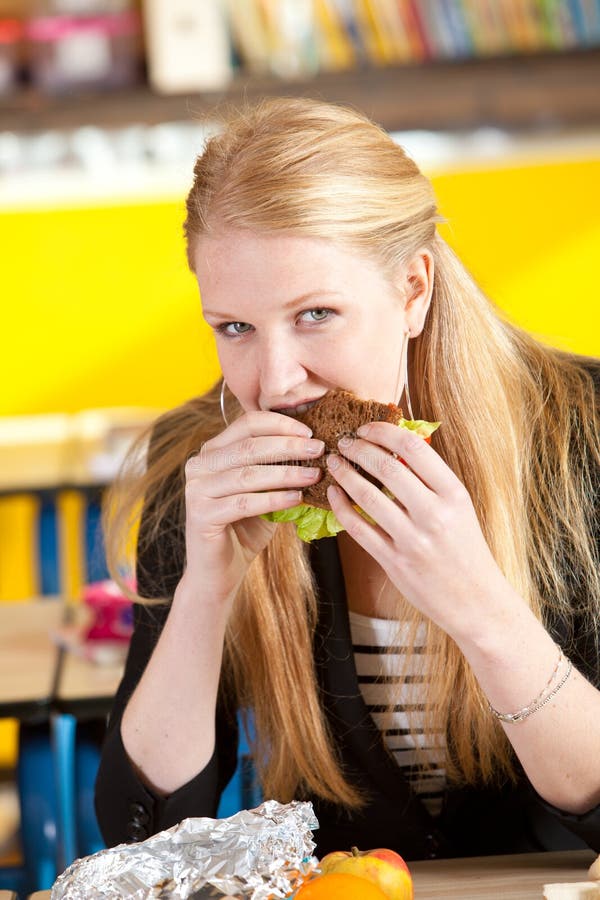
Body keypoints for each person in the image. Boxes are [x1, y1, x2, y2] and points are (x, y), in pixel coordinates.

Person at [94, 97, 600, 860]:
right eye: (236, 327)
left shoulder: (583, 436)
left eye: (317, 314)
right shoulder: (201, 467)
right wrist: (206, 592)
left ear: (413, 289)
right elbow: (147, 837)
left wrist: (484, 613)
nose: (276, 381)